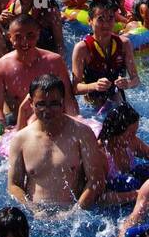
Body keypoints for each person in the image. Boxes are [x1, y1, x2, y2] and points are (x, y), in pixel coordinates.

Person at [6, 74, 106, 211]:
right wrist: (33, 211)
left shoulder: (82, 134)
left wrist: (74, 213)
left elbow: (96, 181)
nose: (47, 111)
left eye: (54, 104)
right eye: (41, 104)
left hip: (74, 215)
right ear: (30, 102)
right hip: (36, 216)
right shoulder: (20, 140)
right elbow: (13, 185)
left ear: (63, 101)